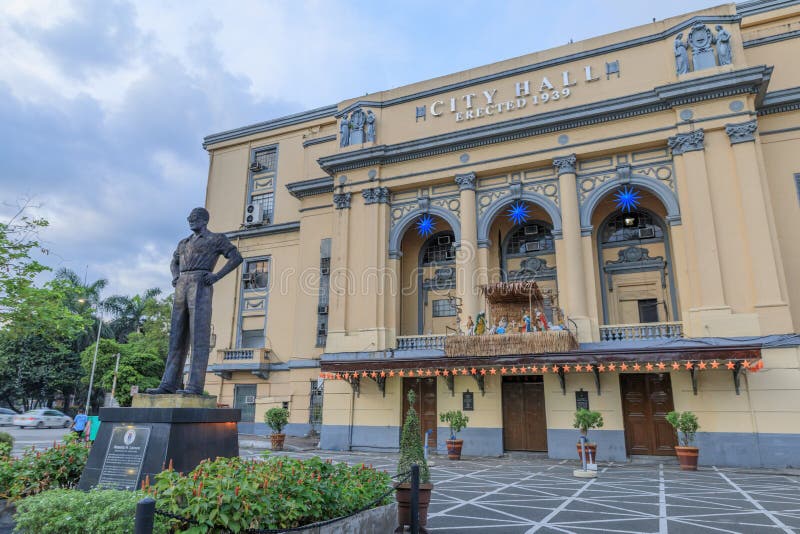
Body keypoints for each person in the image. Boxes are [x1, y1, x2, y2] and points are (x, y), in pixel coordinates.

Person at [146, 207, 243, 395]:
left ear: (204, 220)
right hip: (182, 284)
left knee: (199, 335)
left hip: (201, 283)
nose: (190, 220)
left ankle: (194, 385)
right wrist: (175, 276)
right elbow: (174, 262)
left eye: (195, 217)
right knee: (176, 336)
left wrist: (216, 276)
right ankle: (168, 384)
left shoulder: (216, 239)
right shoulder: (183, 243)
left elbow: (236, 257)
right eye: (189, 217)